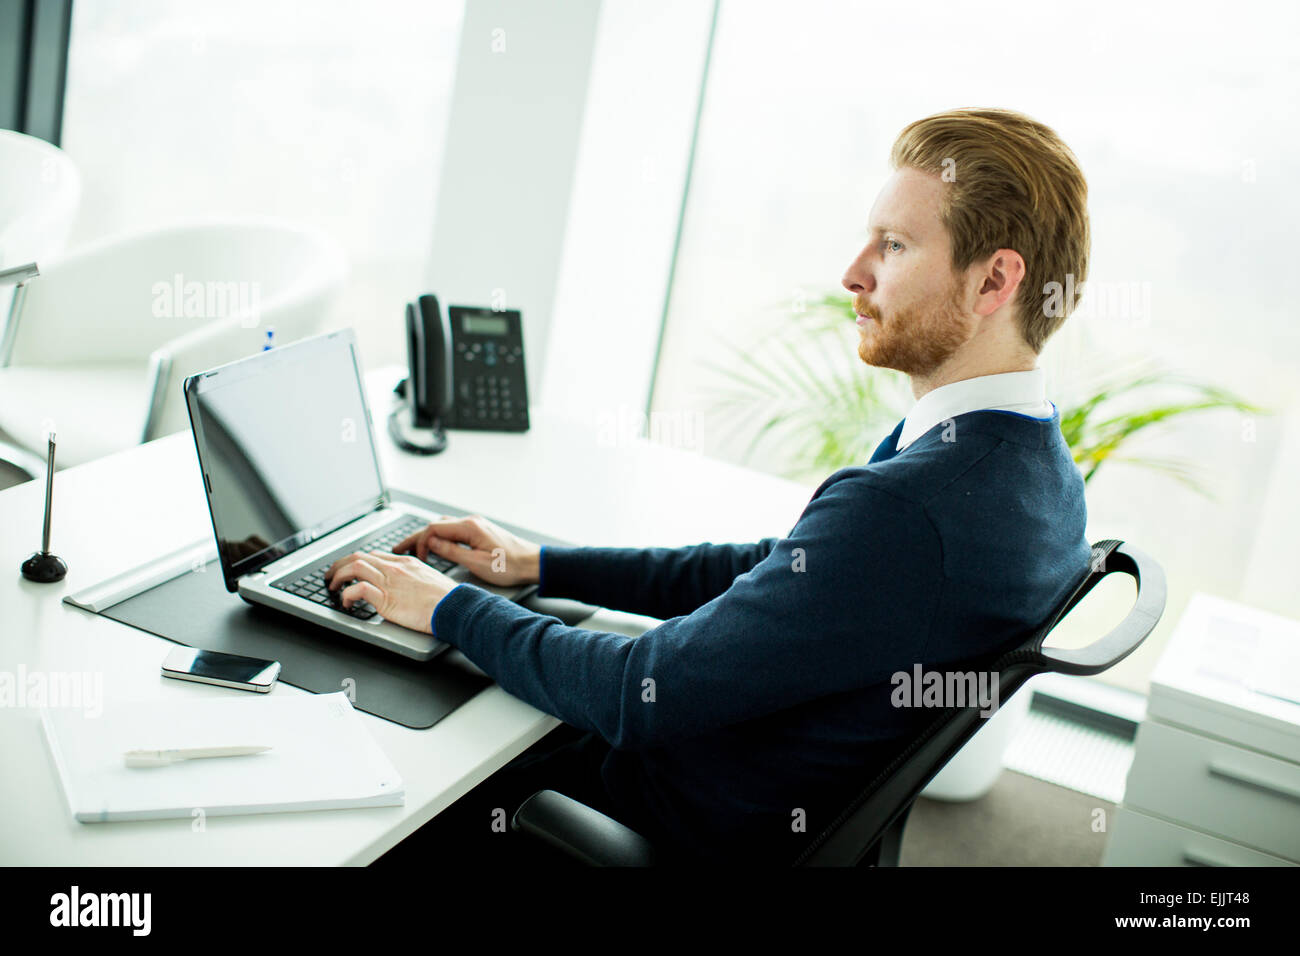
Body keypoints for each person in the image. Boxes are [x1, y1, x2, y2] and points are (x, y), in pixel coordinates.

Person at [347, 106, 1094, 867]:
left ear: (994, 281)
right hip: (759, 804)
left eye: (895, 246)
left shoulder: (911, 507)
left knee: (398, 775)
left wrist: (445, 605)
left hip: (653, 822)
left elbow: (638, 690)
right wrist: (541, 565)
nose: (854, 272)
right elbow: (788, 570)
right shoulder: (1037, 474)